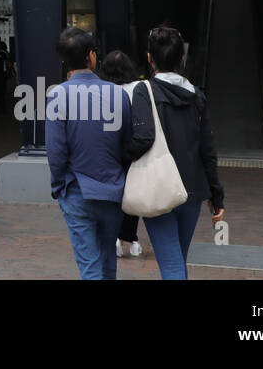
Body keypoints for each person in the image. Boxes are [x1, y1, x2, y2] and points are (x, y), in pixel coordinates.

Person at [125, 25, 224, 280]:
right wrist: (216, 196)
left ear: (149, 58)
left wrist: (121, 154)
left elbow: (143, 137)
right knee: (178, 261)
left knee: (171, 266)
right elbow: (208, 149)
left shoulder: (144, 91)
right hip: (192, 189)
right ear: (182, 58)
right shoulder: (196, 96)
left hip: (159, 187)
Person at [46, 27, 132, 280]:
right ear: (92, 56)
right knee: (107, 265)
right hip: (113, 190)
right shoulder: (118, 94)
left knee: (89, 266)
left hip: (76, 190)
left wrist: (58, 186)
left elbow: (56, 150)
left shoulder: (58, 95)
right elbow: (127, 143)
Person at [97, 49, 144, 260]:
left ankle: (114, 237)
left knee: (113, 198)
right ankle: (131, 239)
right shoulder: (138, 88)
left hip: (107, 150)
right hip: (132, 150)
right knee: (132, 195)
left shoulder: (100, 90)